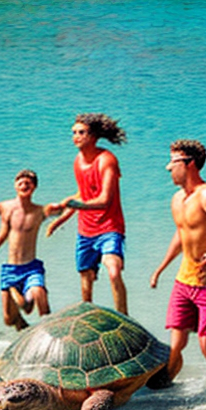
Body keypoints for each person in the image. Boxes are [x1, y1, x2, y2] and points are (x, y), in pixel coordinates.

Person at [149, 139, 206, 386]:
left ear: (190, 164)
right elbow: (181, 235)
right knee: (175, 345)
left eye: (173, 163)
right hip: (183, 281)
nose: (168, 169)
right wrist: (161, 268)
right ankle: (163, 394)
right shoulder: (177, 200)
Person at [45, 113, 129, 314]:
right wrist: (61, 217)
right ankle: (86, 314)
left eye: (81, 133)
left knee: (113, 271)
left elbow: (104, 200)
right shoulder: (78, 161)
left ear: (93, 136)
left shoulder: (106, 160)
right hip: (86, 230)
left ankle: (124, 317)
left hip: (110, 226)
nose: (76, 136)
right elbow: (83, 194)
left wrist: (73, 203)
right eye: (73, 132)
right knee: (86, 276)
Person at [0, 169, 60, 330]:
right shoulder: (5, 206)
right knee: (9, 319)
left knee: (39, 291)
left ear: (34, 187)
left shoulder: (40, 211)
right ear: (15, 186)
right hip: (10, 269)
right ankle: (25, 330)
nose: (24, 185)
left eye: (28, 183)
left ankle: (48, 330)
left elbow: (64, 209)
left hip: (31, 267)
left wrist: (74, 202)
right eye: (20, 182)